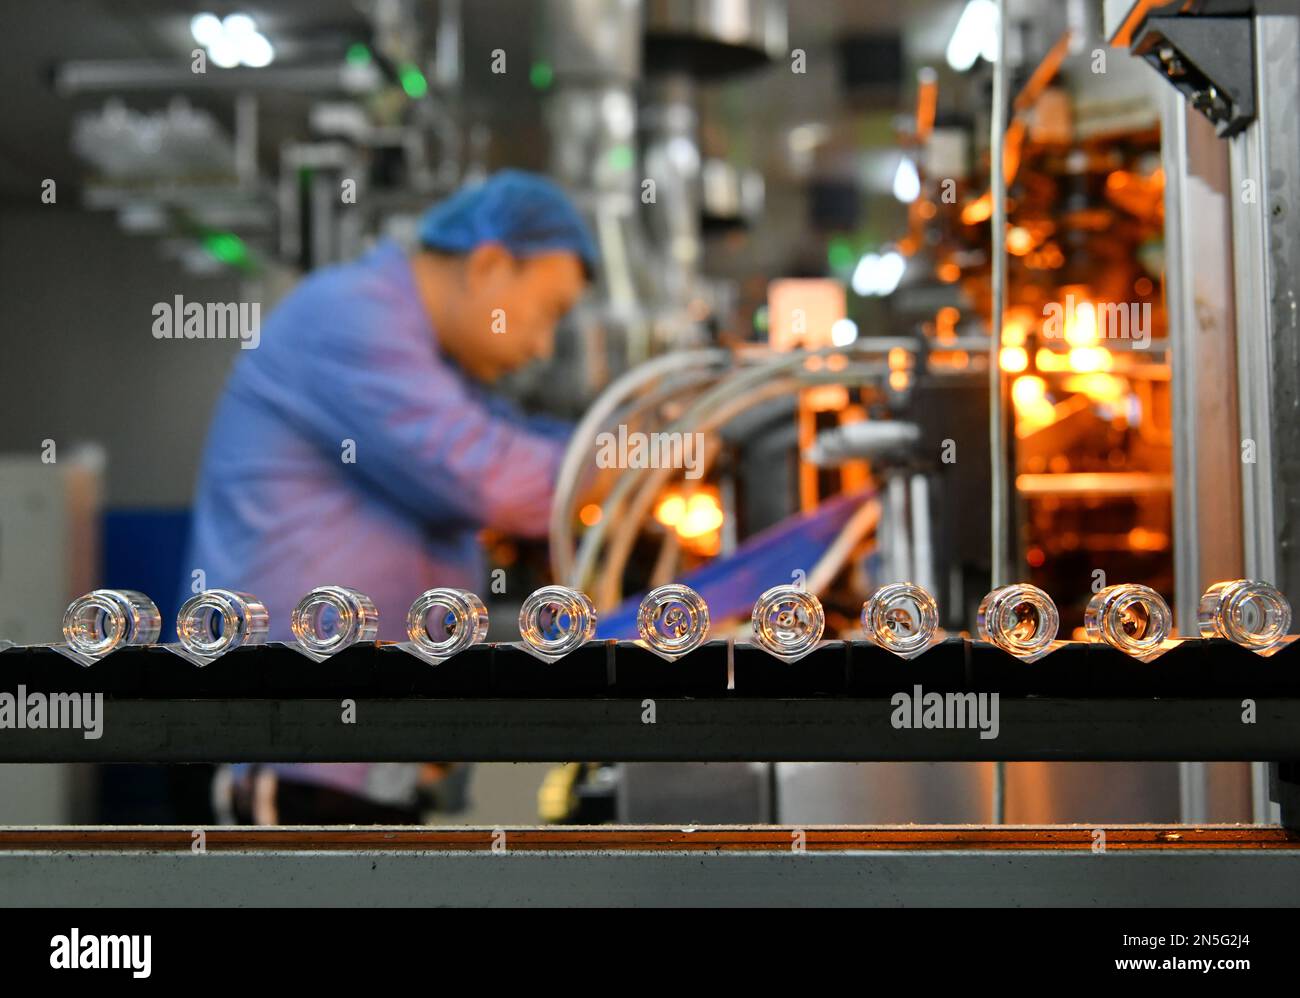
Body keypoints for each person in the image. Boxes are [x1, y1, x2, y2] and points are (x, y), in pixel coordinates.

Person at [180, 169, 596, 824]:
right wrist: (642, 455)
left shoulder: (435, 362)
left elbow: (521, 443)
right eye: (550, 313)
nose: (544, 346)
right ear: (488, 265)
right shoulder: (350, 316)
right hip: (297, 760)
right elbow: (500, 482)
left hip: (357, 763)